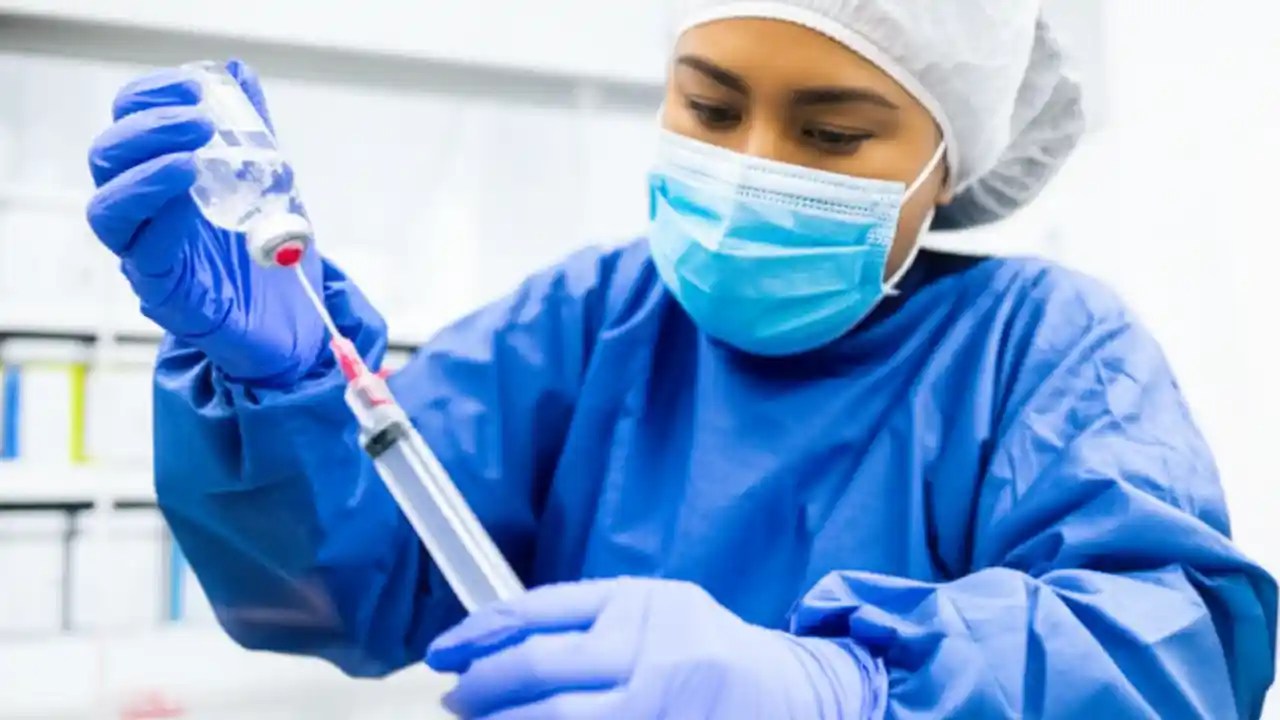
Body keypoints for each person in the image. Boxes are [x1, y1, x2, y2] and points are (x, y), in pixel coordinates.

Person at [85, 1, 1276, 718]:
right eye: (710, 110)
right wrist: (281, 391)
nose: (753, 161)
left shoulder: (1042, 348)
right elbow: (349, 586)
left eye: (829, 133)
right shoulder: (595, 319)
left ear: (945, 168)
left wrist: (845, 694)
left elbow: (1168, 657)